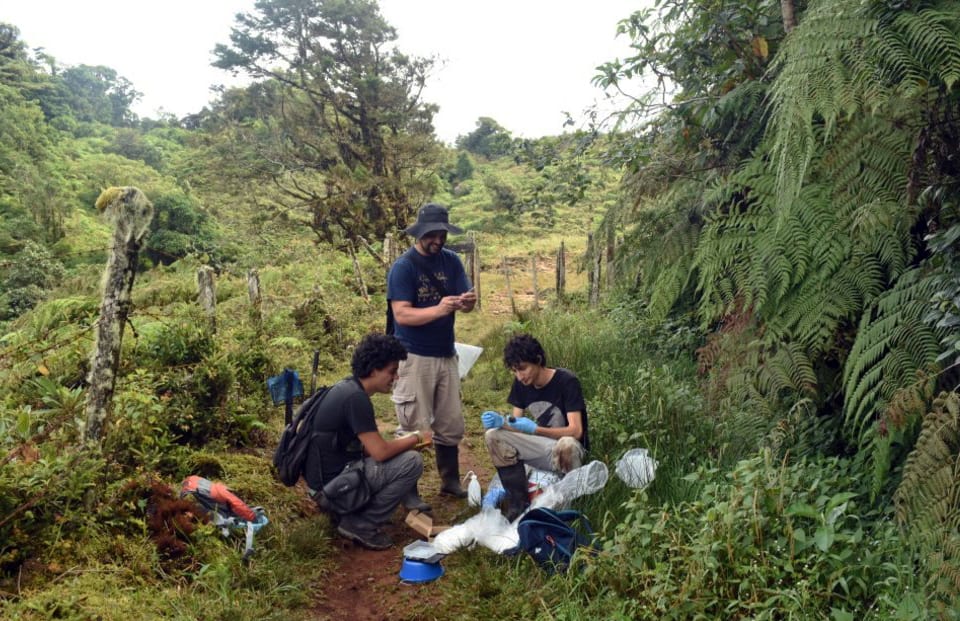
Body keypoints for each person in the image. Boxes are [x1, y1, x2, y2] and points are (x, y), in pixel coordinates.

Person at [303, 333, 433, 551]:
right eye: (392, 371)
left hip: (327, 481)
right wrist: (416, 438)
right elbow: (380, 452)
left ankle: (356, 512)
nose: (396, 378)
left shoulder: (347, 387)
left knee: (401, 453)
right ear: (374, 369)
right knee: (412, 462)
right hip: (332, 489)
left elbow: (366, 448)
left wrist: (403, 443)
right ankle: (361, 523)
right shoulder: (356, 399)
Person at [387, 202, 477, 498]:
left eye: (442, 235)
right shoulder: (403, 267)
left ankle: (450, 481)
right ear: (420, 234)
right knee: (414, 425)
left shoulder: (451, 261)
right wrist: (439, 309)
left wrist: (466, 303)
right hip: (413, 356)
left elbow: (467, 301)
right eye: (432, 236)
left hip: (446, 353)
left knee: (451, 422)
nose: (438, 241)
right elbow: (402, 315)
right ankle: (408, 491)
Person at [481, 333, 589, 520]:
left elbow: (577, 431)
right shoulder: (521, 384)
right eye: (514, 371)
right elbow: (516, 425)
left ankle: (568, 505)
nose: (520, 376)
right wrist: (502, 423)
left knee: (567, 444)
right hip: (541, 448)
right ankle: (517, 504)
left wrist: (536, 430)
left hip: (567, 450)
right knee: (493, 435)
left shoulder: (566, 381)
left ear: (538, 360)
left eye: (523, 368)